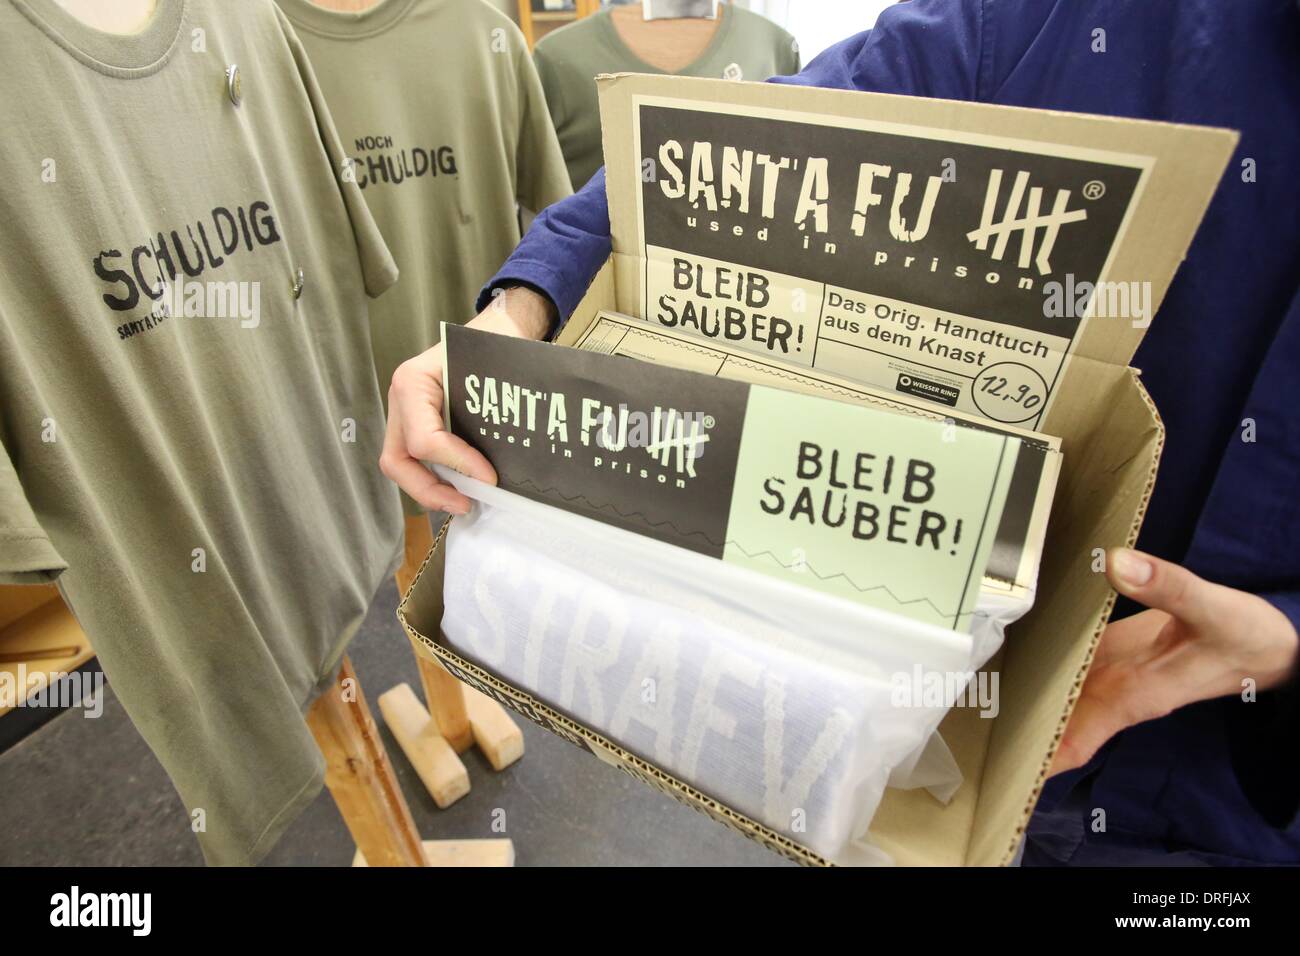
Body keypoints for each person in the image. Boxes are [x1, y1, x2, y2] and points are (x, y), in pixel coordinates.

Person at [380, 0, 1300, 865]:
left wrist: (1289, 638)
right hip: (943, 715)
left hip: (1240, 800)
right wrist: (523, 305)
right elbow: (735, 148)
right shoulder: (1062, 22)